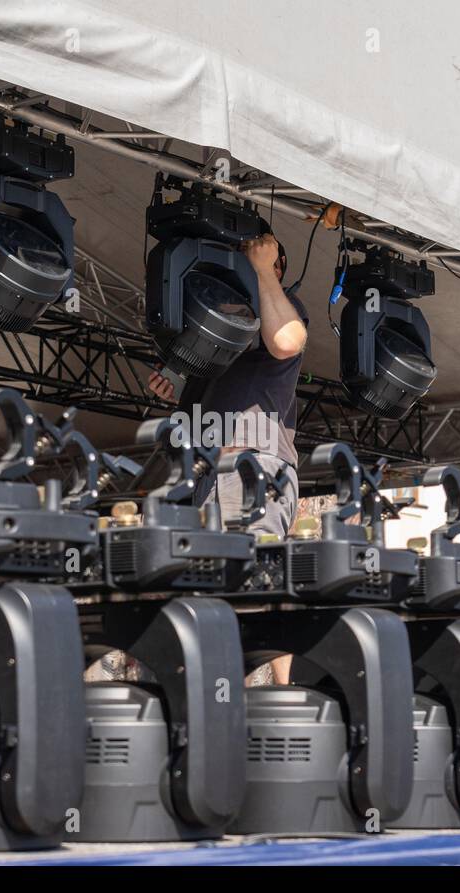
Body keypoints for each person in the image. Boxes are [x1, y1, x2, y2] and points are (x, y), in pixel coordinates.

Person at [148, 231, 307, 683]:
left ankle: (284, 691)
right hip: (201, 466)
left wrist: (260, 270)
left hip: (251, 461)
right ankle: (203, 685)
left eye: (251, 259)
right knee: (194, 580)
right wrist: (170, 390)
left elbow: (287, 341)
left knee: (258, 572)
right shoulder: (212, 319)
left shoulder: (280, 307)